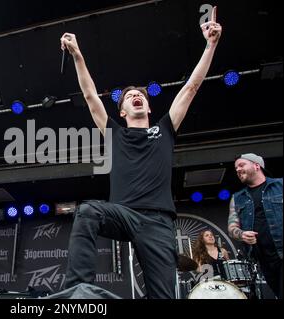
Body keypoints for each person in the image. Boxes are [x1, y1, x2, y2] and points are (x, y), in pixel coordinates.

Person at [60, 7, 222, 298]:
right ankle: (77, 291)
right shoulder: (115, 133)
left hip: (158, 222)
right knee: (87, 211)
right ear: (122, 111)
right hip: (123, 214)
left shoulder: (165, 128)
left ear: (148, 107)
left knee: (162, 295)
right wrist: (78, 55)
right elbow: (89, 96)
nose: (136, 96)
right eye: (128, 96)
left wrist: (210, 45)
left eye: (141, 96)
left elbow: (191, 87)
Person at [228, 153, 282, 299]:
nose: (238, 169)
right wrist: (242, 234)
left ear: (257, 165)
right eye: (236, 168)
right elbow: (232, 228)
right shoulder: (237, 198)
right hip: (264, 259)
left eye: (241, 165)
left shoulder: (280, 185)